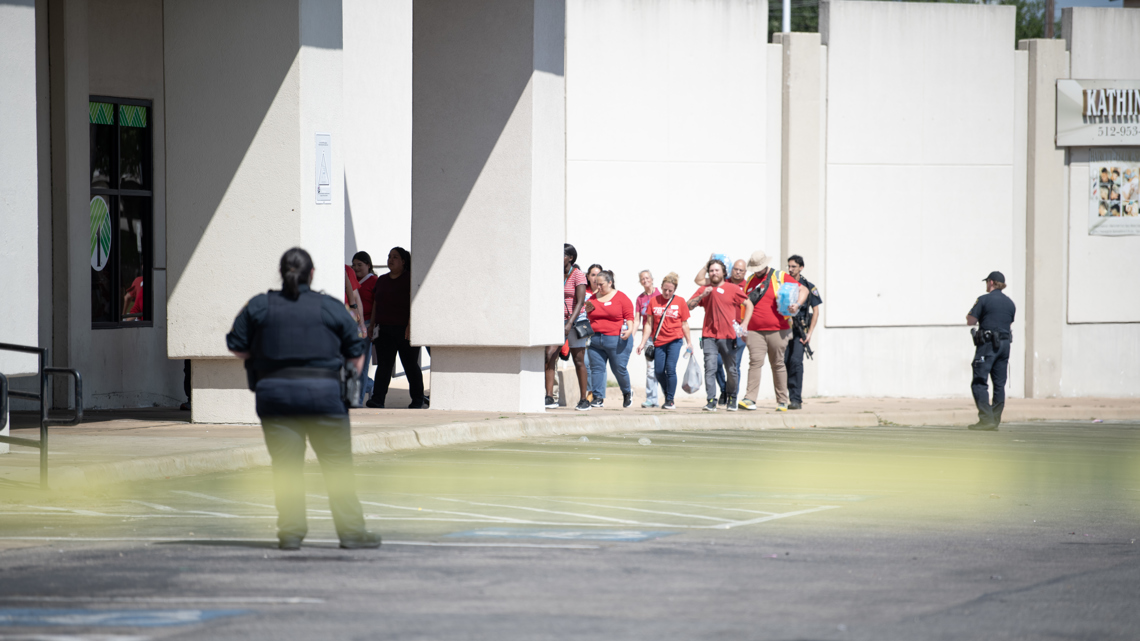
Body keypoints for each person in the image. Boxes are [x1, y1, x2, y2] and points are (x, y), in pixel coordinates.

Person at [225, 247, 381, 550]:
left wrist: (262, 360)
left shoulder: (260, 305)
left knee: (286, 467)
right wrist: (348, 379)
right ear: (312, 274)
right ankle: (351, 532)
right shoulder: (329, 306)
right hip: (324, 396)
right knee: (337, 467)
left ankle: (291, 533)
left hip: (275, 395)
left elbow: (236, 344)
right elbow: (355, 349)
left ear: (282, 274)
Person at [737, 250, 808, 412]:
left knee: (777, 364)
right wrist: (744, 324)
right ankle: (750, 398)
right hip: (754, 330)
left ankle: (782, 400)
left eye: (759, 268)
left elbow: (803, 289)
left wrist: (797, 304)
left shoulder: (780, 276)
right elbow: (745, 303)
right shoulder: (750, 280)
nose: (756, 271)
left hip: (778, 329)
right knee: (755, 362)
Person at [688, 260, 752, 412]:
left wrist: (744, 324)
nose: (714, 273)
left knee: (731, 370)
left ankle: (732, 397)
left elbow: (749, 304)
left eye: (717, 270)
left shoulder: (732, 288)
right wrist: (702, 295)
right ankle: (711, 400)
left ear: (724, 272)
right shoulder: (705, 289)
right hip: (709, 336)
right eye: (711, 271)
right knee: (710, 368)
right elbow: (688, 306)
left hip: (728, 336)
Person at [365, 247, 426, 409]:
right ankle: (378, 399)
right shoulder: (382, 280)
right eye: (389, 256)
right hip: (384, 330)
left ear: (403, 261)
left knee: (410, 365)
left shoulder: (410, 279)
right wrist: (372, 325)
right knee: (384, 366)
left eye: (395, 257)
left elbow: (416, 302)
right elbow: (376, 304)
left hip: (405, 330)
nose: (391, 259)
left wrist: (411, 325)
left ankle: (417, 399)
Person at [966, 271, 1016, 431]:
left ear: (991, 282)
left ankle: (986, 419)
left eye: (987, 282)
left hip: (988, 345)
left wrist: (973, 316)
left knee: (979, 382)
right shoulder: (1010, 303)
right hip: (1005, 345)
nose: (986, 285)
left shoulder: (984, 299)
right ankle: (994, 419)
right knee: (999, 384)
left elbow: (970, 321)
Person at [637, 272, 693, 410]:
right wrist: (643, 342)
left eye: (670, 290)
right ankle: (668, 392)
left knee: (670, 368)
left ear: (675, 290)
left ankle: (670, 400)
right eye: (665, 290)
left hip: (675, 340)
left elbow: (684, 324)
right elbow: (649, 324)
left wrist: (689, 342)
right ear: (660, 287)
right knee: (658, 371)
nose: (667, 292)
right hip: (659, 341)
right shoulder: (654, 301)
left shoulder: (680, 302)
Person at [546, 244, 591, 411]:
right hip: (557, 321)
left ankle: (584, 399)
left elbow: (580, 302)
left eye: (562, 255)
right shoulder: (554, 274)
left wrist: (569, 323)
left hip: (575, 322)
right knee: (549, 355)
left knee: (578, 360)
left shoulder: (578, 275)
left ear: (570, 258)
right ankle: (549, 397)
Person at [586, 270, 635, 408]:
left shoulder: (621, 298)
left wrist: (629, 330)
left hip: (617, 340)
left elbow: (629, 317)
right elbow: (589, 317)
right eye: (596, 284)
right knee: (597, 369)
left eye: (601, 284)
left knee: (619, 368)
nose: (598, 287)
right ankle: (598, 397)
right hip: (595, 340)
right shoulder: (592, 299)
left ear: (610, 283)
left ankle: (627, 392)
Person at [783, 255, 823, 410]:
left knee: (796, 362)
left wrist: (810, 333)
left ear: (801, 267)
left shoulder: (808, 286)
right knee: (784, 362)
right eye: (789, 266)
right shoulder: (784, 284)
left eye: (794, 266)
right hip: (784, 329)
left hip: (800, 329)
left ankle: (796, 399)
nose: (791, 269)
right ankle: (784, 397)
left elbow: (816, 311)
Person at [351, 251, 378, 404]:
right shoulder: (352, 280)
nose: (356, 268)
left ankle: (358, 401)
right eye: (354, 265)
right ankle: (369, 384)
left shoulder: (374, 281)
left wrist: (372, 326)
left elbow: (376, 304)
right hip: (352, 325)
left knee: (362, 364)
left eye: (360, 265)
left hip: (366, 325)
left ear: (368, 265)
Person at [634, 270, 662, 408]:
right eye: (642, 279)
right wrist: (632, 335)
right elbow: (637, 320)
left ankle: (668, 397)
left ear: (652, 279)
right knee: (650, 369)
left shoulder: (660, 295)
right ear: (640, 282)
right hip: (648, 338)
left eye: (647, 278)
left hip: (663, 337)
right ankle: (652, 399)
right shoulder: (640, 299)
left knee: (663, 368)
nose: (645, 281)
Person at [583, 264, 605, 401]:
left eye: (598, 275)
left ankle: (598, 395)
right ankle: (590, 390)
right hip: (584, 331)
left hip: (599, 332)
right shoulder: (583, 291)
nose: (595, 278)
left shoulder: (606, 293)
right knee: (585, 362)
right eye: (593, 275)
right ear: (588, 277)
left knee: (599, 365)